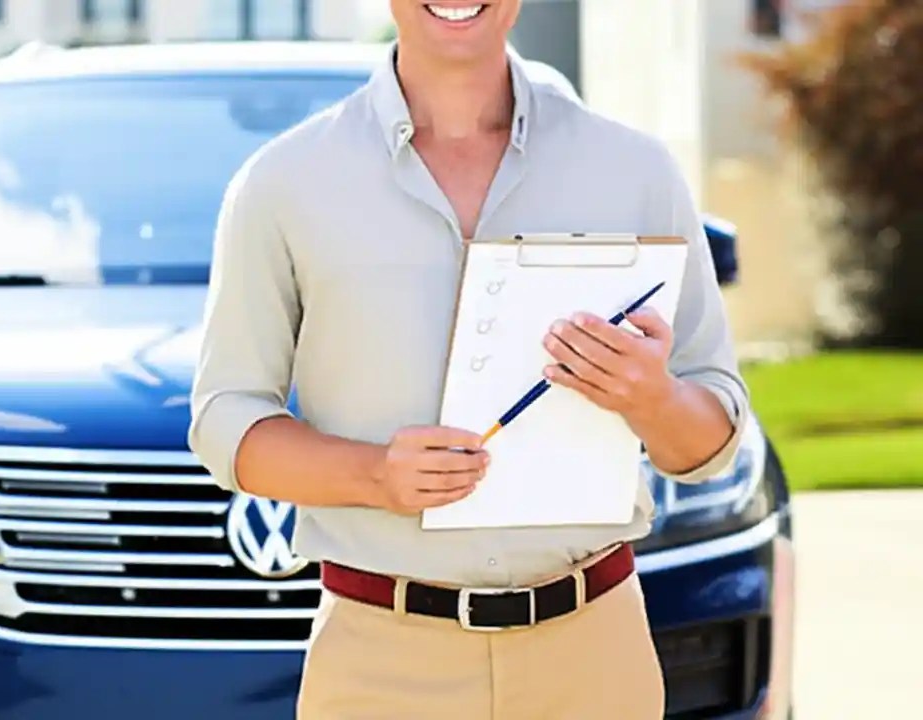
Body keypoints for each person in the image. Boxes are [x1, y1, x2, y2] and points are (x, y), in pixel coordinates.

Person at [188, 1, 751, 717]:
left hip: (593, 659)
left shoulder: (634, 171)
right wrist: (373, 476)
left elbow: (712, 440)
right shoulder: (284, 183)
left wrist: (653, 398)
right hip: (379, 663)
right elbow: (225, 417)